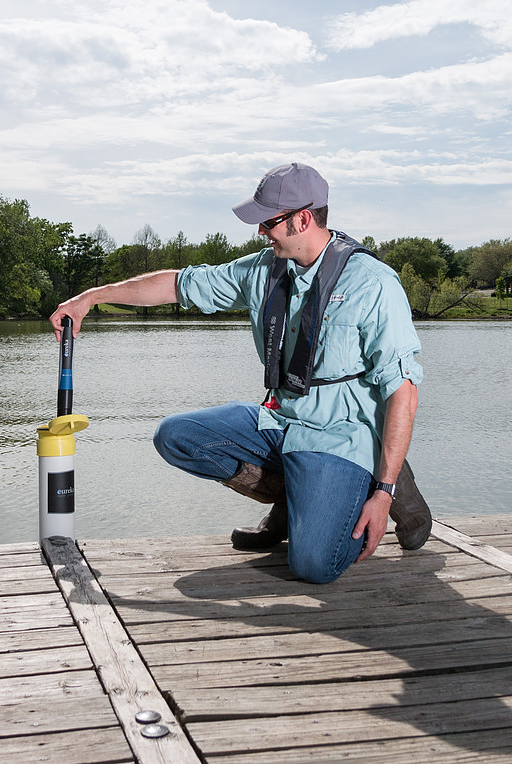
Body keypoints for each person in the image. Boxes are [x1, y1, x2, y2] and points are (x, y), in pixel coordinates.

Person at [49, 162, 431, 584]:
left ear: (302, 219)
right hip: (281, 420)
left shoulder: (373, 283)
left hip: (342, 435)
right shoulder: (262, 270)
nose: (261, 232)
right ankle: (297, 499)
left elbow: (403, 393)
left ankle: (385, 480)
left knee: (314, 565)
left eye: (268, 222)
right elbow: (176, 284)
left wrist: (384, 492)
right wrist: (92, 297)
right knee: (177, 437)